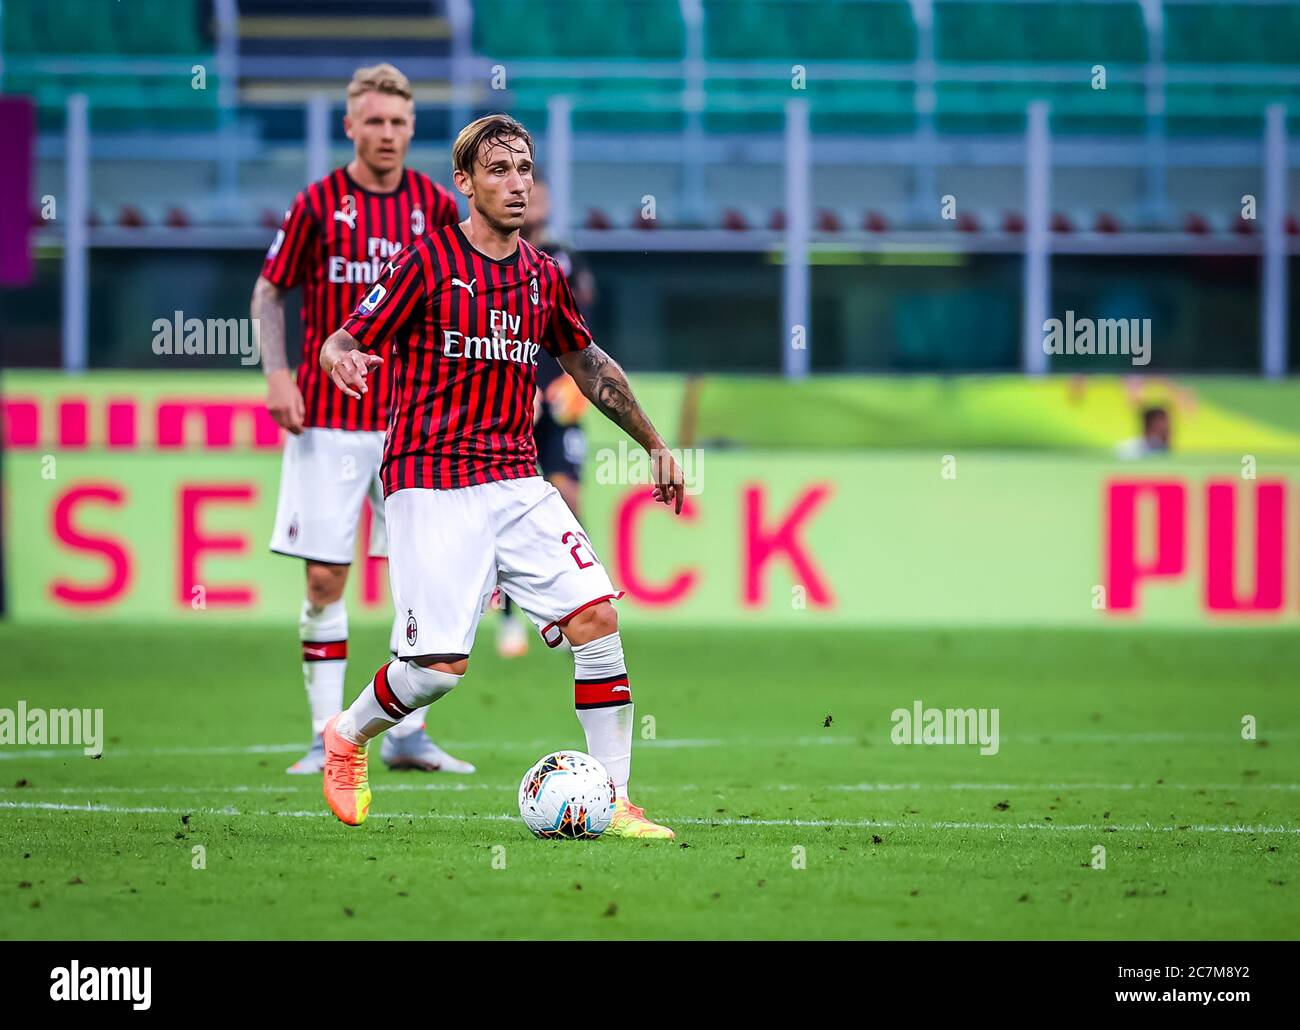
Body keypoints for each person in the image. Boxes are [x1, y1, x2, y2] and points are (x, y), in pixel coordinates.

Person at [317, 113, 686, 838]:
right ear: (465, 182)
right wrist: (341, 356)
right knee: (435, 669)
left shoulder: (544, 277)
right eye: (499, 170)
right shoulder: (425, 262)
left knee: (597, 619)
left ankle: (613, 804)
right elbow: (343, 337)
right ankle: (347, 734)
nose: (517, 184)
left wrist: (654, 443)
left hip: (518, 480)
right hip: (431, 480)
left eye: (524, 169)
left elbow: (589, 365)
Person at [251, 63, 473, 775]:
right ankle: (325, 735)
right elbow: (269, 292)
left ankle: (408, 736)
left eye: (399, 122)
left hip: (413, 426)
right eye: (373, 121)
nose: (386, 134)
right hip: (326, 424)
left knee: (424, 581)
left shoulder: (438, 207)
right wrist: (279, 373)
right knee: (325, 579)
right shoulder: (318, 202)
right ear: (350, 126)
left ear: (414, 129)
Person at [497, 177, 596, 657]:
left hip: (558, 400)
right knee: (506, 505)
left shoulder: (562, 257)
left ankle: (569, 605)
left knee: (567, 497)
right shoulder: (496, 258)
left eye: (540, 193)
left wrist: (571, 383)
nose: (533, 200)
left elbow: (579, 328)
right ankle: (509, 615)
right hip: (509, 396)